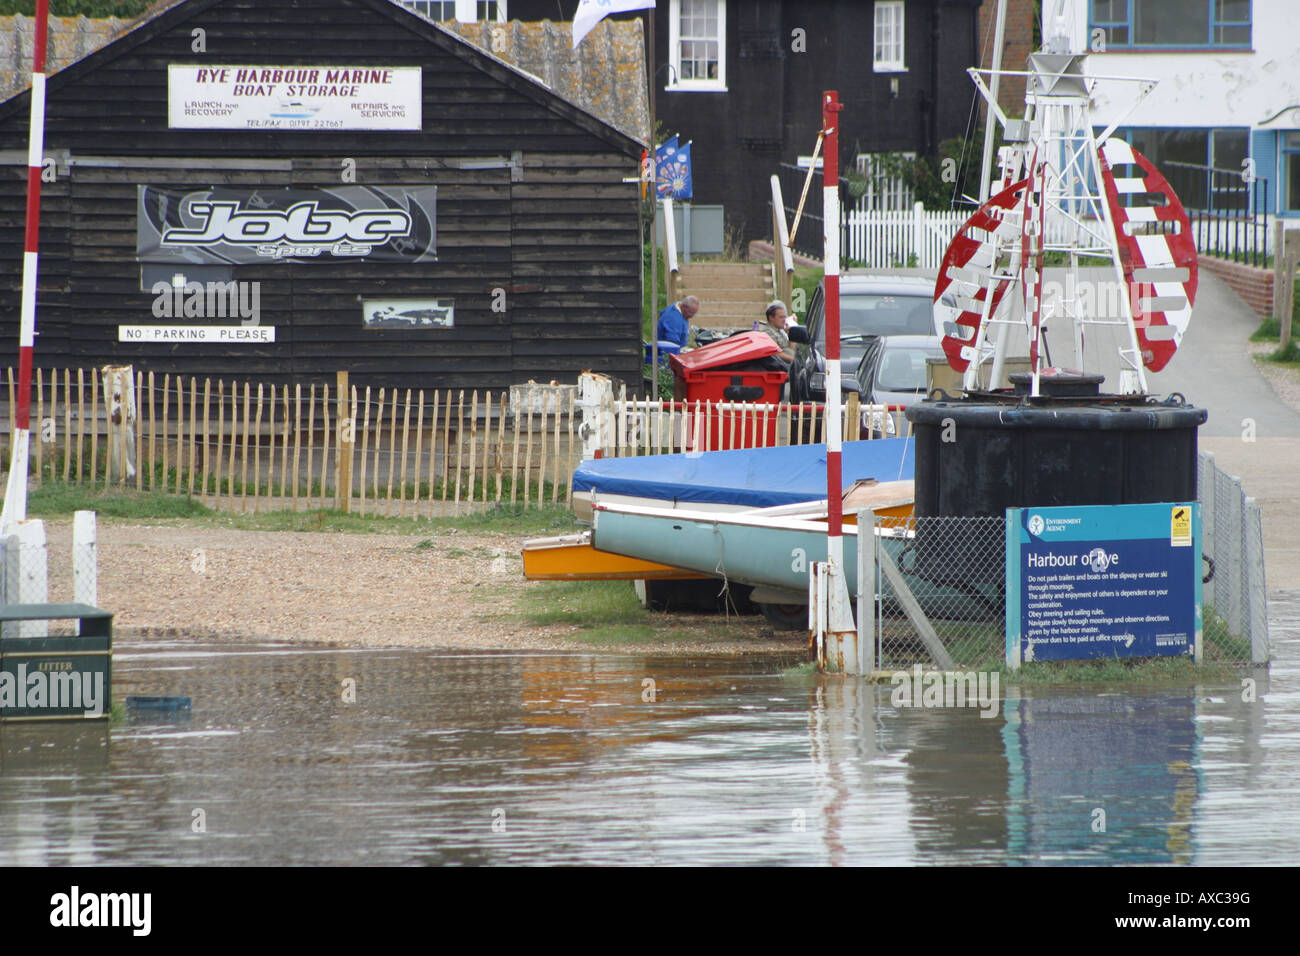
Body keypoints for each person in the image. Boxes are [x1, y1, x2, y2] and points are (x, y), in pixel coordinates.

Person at [761, 300, 796, 365]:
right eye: (781, 317)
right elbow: (773, 353)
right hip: (779, 367)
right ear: (771, 318)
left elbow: (792, 350)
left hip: (790, 366)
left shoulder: (780, 331)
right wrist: (793, 360)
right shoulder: (767, 332)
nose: (784, 320)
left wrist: (790, 334)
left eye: (784, 317)